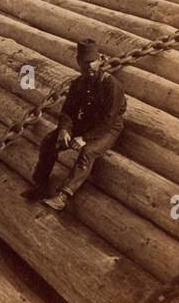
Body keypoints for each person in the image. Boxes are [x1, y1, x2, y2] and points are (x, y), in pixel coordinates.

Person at [24, 38, 126, 211]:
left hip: (107, 128)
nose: (89, 67)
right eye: (84, 63)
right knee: (50, 141)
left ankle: (63, 196)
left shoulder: (112, 86)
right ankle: (40, 186)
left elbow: (108, 119)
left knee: (88, 152)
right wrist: (64, 130)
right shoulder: (79, 84)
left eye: (92, 62)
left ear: (100, 60)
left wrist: (84, 138)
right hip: (86, 123)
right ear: (78, 62)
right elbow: (68, 111)